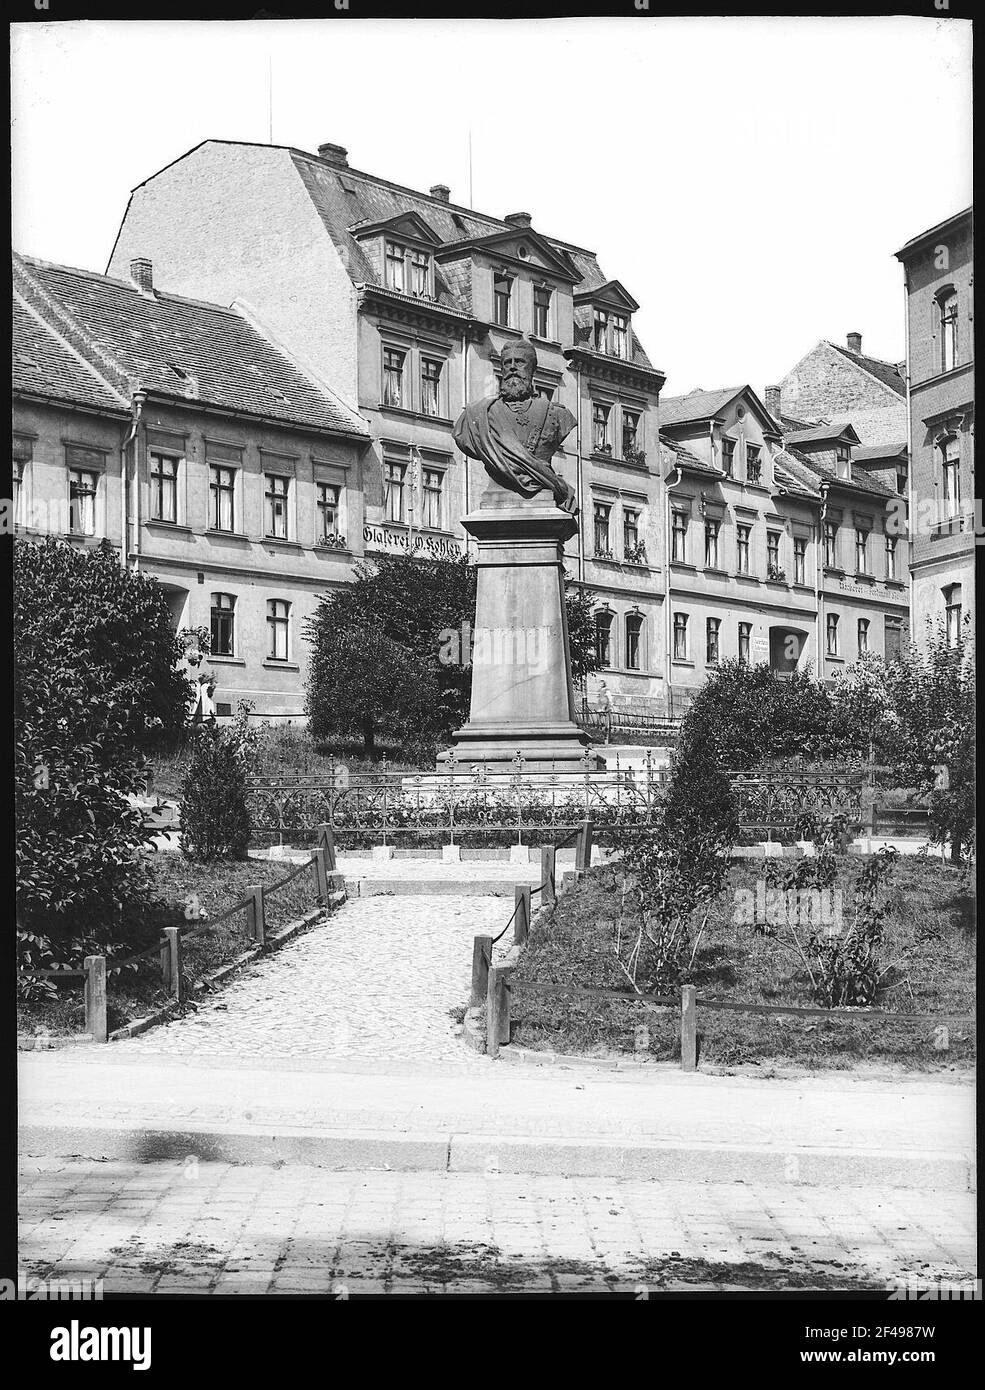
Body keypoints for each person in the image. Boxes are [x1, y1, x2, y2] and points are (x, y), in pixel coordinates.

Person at [453, 338, 577, 512]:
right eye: (507, 363)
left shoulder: (557, 414)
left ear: (532, 369)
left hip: (541, 500)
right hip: (497, 493)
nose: (512, 367)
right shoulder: (478, 415)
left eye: (519, 362)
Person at [596, 679, 614, 745]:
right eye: (600, 683)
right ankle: (601, 735)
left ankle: (606, 738)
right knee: (600, 722)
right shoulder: (600, 690)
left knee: (606, 724)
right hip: (601, 705)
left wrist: (609, 706)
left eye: (602, 683)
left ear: (604, 684)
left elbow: (609, 698)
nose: (600, 685)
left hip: (605, 706)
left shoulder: (606, 690)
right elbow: (599, 697)